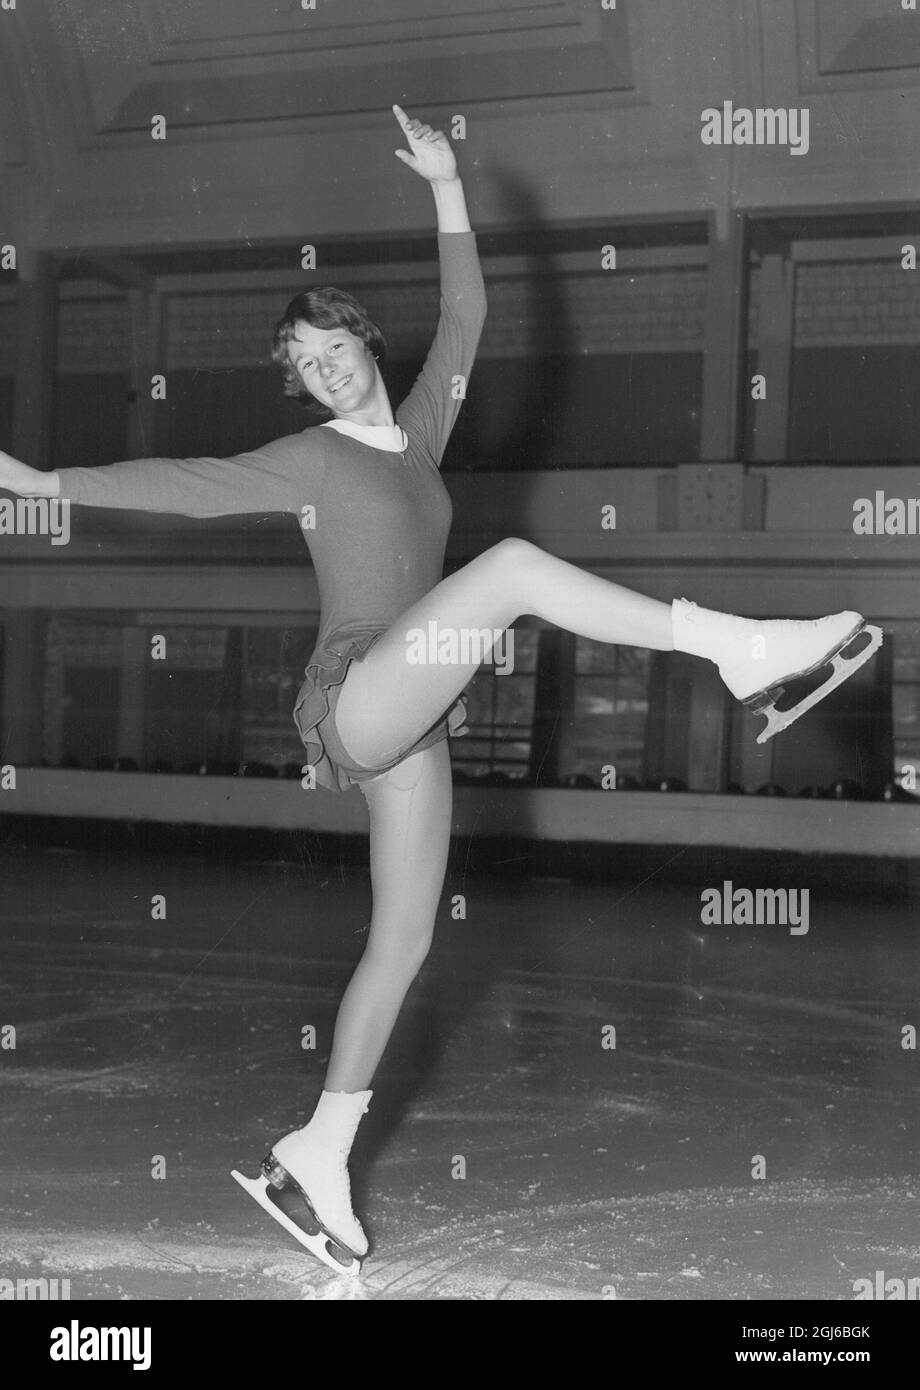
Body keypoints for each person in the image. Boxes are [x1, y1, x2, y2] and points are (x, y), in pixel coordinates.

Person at [0, 106, 882, 1276]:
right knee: (511, 571)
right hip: (354, 691)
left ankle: (316, 1147)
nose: (317, 372)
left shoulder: (415, 438)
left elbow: (466, 315)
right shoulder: (306, 457)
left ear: (362, 341)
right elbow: (185, 483)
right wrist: (43, 478)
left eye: (329, 350)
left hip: (408, 715)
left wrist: (447, 183)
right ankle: (734, 649)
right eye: (300, 367)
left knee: (405, 936)